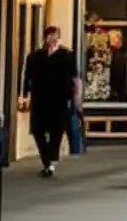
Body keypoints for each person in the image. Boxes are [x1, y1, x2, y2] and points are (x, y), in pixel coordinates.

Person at [22, 25, 80, 177]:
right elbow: (28, 78)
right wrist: (25, 95)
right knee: (38, 130)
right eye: (49, 36)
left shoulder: (66, 56)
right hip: (40, 99)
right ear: (45, 38)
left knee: (56, 130)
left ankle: (51, 161)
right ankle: (47, 160)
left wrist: (75, 99)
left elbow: (74, 78)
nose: (52, 39)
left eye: (55, 36)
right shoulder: (35, 57)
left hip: (59, 100)